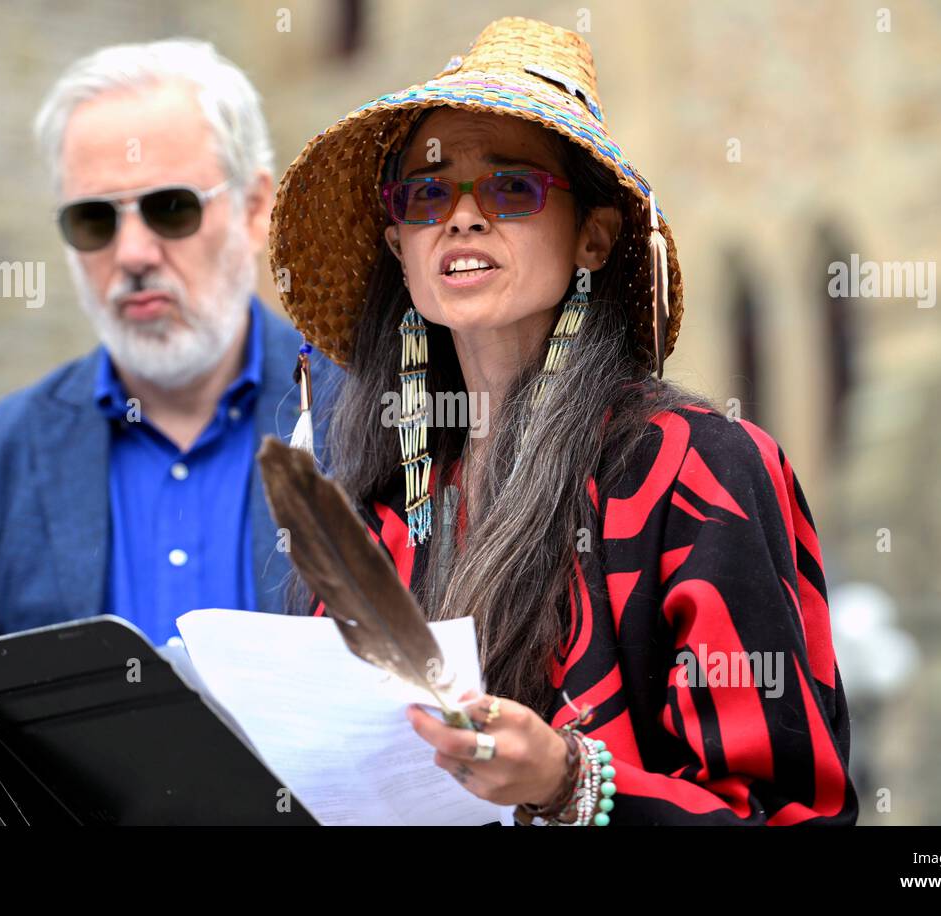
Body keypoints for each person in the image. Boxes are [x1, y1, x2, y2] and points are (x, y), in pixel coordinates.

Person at [269, 17, 857, 825]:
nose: (462, 218)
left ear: (593, 236)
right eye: (427, 193)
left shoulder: (697, 469)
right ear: (400, 248)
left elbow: (786, 813)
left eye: (511, 187)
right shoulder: (374, 520)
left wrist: (570, 782)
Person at [0, 39, 337, 649]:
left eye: (170, 209)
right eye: (94, 219)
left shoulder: (361, 411)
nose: (134, 254)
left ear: (254, 210)